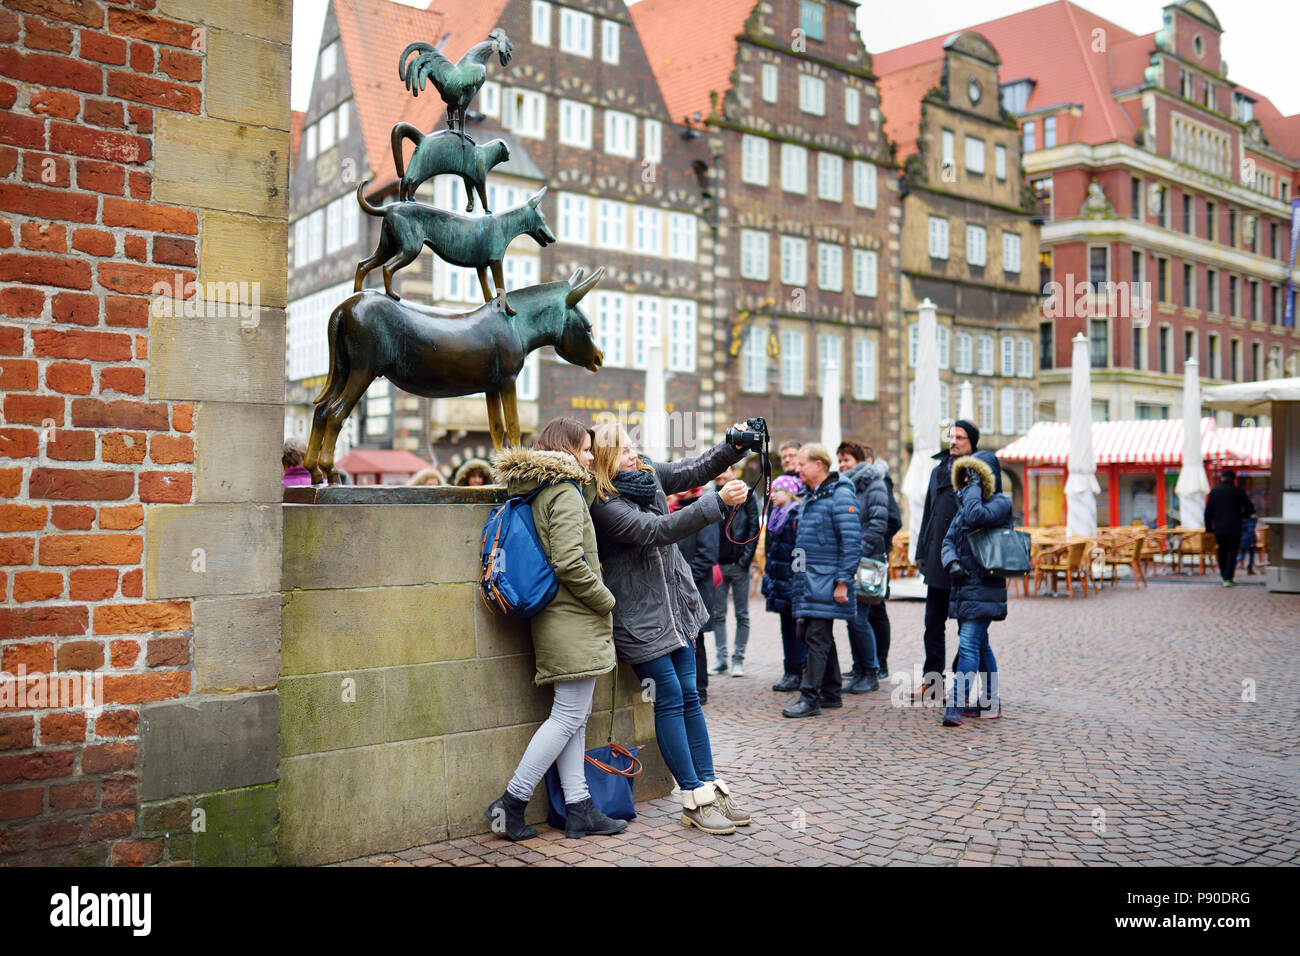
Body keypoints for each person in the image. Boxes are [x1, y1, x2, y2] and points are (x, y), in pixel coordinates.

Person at [590, 421, 753, 835]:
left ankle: (711, 786)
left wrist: (733, 446)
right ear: (607, 461)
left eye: (633, 446)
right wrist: (715, 503)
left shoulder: (644, 474)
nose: (635, 454)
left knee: (690, 698)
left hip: (674, 608)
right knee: (671, 697)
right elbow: (656, 531)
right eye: (624, 451)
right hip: (640, 619)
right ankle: (693, 797)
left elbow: (691, 470)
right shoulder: (604, 503)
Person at [484, 418, 627, 840]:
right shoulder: (564, 490)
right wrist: (606, 599)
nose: (590, 457)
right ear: (566, 451)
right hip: (572, 617)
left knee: (574, 716)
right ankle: (511, 802)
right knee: (566, 716)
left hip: (560, 617)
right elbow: (568, 562)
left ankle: (579, 806)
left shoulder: (540, 488)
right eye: (585, 449)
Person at [782, 444, 861, 719]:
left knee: (815, 635)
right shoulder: (811, 496)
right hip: (810, 578)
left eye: (803, 464)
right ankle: (831, 691)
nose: (798, 469)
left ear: (820, 464)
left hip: (827, 579)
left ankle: (810, 697)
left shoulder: (840, 494)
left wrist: (843, 581)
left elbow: (852, 541)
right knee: (817, 634)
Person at [939, 450, 1011, 725]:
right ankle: (991, 702)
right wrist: (952, 562)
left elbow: (975, 515)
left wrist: (974, 488)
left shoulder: (1000, 503)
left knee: (968, 644)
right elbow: (947, 541)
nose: (968, 479)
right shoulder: (965, 505)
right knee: (981, 646)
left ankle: (955, 706)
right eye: (966, 475)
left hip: (984, 585)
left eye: (974, 474)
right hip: (963, 585)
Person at [913, 421, 977, 701]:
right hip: (937, 557)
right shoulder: (938, 470)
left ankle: (959, 684)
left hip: (965, 561)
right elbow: (928, 514)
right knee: (932, 623)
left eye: (960, 438)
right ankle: (933, 681)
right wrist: (920, 553)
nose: (954, 442)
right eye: (952, 437)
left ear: (972, 443)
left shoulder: (978, 472)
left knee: (966, 627)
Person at [836, 440, 893, 694]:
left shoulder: (875, 483)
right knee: (852, 618)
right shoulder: (847, 485)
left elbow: (879, 523)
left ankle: (870, 671)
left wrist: (856, 550)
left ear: (859, 461)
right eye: (840, 461)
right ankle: (860, 669)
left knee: (860, 618)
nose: (842, 465)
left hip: (868, 559)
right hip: (852, 558)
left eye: (846, 460)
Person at [672, 487, 719, 705]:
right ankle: (689, 687)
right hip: (679, 586)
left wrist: (685, 580)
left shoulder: (704, 510)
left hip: (696, 586)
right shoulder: (675, 509)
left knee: (696, 638)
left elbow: (707, 554)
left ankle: (700, 689)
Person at [710, 464, 759, 677]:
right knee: (718, 614)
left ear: (733, 472)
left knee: (742, 614)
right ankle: (721, 660)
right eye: (717, 471)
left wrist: (745, 560)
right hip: (719, 564)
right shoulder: (711, 497)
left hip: (740, 565)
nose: (719, 473)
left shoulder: (748, 495)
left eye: (724, 470)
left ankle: (737, 660)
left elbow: (754, 529)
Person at [761, 474, 805, 691]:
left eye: (777, 490)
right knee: (786, 628)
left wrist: (794, 581)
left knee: (796, 629)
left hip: (791, 581)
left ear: (789, 493)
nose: (773, 494)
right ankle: (790, 670)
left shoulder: (794, 516)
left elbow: (798, 553)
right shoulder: (777, 515)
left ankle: (798, 671)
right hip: (780, 580)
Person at [1205, 469, 1256, 587]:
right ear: (1233, 479)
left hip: (1219, 528)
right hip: (1235, 527)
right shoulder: (1239, 491)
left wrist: (1209, 528)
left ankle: (1224, 574)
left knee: (1222, 550)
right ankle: (1228, 577)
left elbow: (1208, 512)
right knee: (1232, 552)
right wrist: (1242, 516)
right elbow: (1250, 509)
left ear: (1222, 478)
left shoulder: (1214, 492)